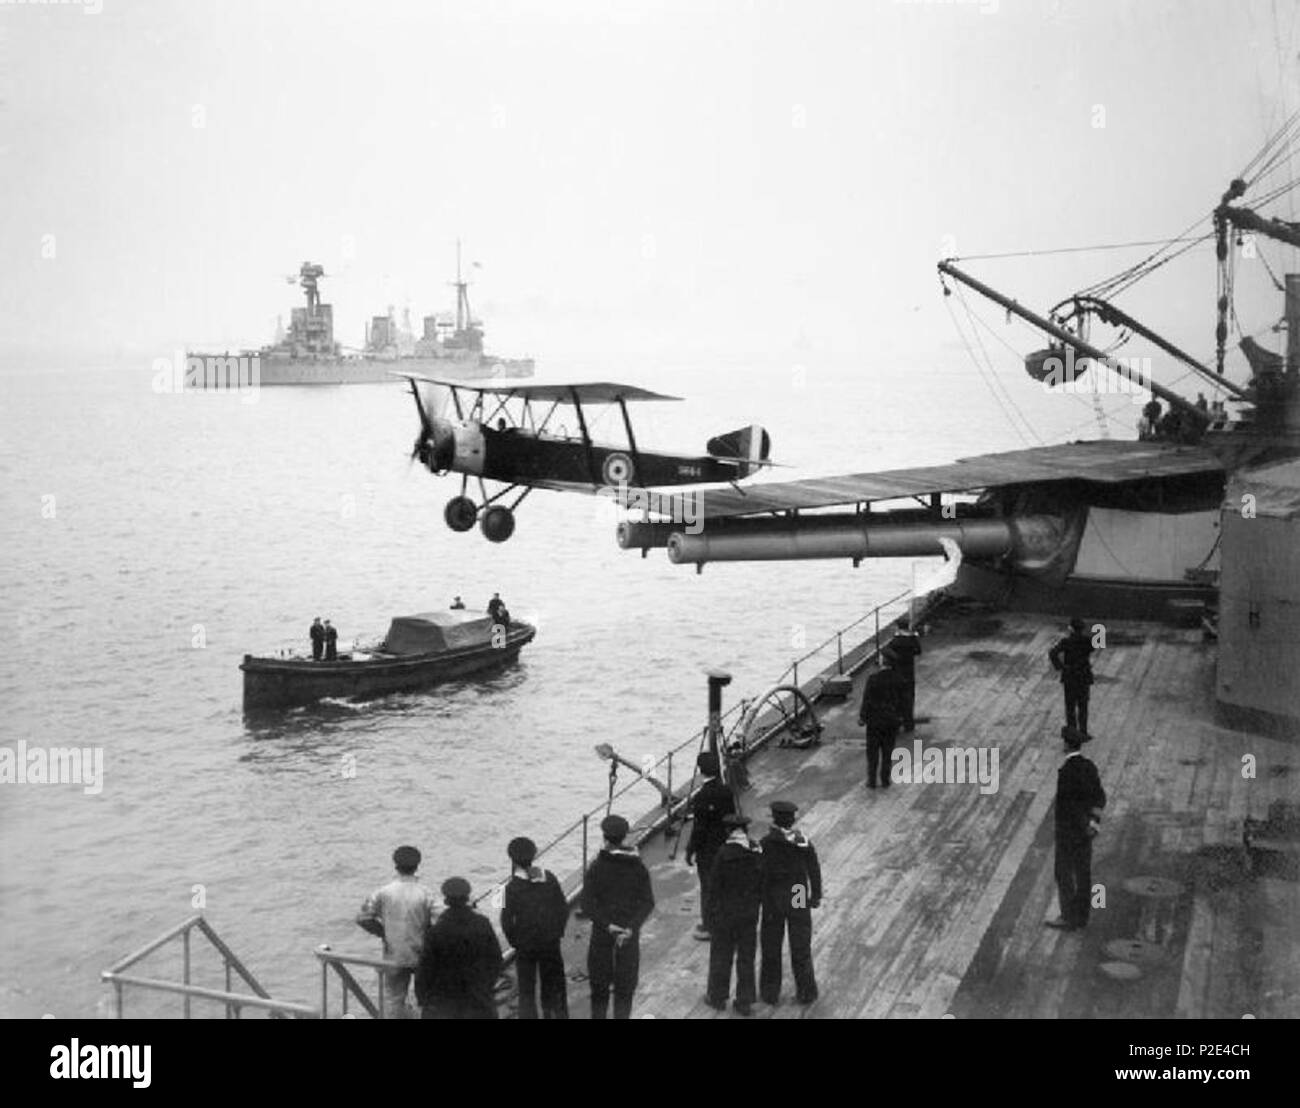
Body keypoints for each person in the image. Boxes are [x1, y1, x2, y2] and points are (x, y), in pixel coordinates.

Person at [580, 814, 654, 1019]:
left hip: (602, 937)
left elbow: (586, 904)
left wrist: (607, 925)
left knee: (599, 992)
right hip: (628, 938)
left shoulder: (596, 868)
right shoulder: (638, 868)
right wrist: (632, 927)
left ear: (605, 837)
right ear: (624, 838)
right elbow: (648, 902)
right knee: (624, 992)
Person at [356, 845, 438, 1019]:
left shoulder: (383, 893)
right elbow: (440, 921)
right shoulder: (426, 894)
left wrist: (383, 932)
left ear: (395, 866)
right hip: (421, 955)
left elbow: (362, 918)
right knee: (425, 998)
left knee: (394, 999)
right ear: (417, 866)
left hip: (393, 954)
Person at [759, 800, 821, 1006]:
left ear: (774, 818)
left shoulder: (766, 843)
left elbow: (760, 873)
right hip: (797, 892)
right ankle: (806, 991)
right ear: (792, 820)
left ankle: (770, 993)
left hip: (774, 896)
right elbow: (813, 869)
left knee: (771, 946)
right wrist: (816, 895)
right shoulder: (802, 842)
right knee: (800, 944)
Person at [414, 877, 503, 1019]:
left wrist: (422, 998)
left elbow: (425, 969)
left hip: (444, 1004)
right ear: (467, 898)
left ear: (446, 901)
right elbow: (496, 959)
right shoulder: (482, 924)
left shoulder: (436, 931)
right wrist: (486, 986)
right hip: (478, 1001)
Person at [501, 836, 569, 1019]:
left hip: (526, 947)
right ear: (534, 855)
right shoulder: (549, 878)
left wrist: (516, 943)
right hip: (550, 942)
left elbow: (506, 922)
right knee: (554, 985)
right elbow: (562, 908)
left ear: (512, 859)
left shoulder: (511, 888)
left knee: (526, 991)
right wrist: (557, 933)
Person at [1046, 726, 1106, 931]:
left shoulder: (1066, 773)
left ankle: (1068, 917)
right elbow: (1100, 796)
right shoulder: (1089, 767)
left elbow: (1069, 807)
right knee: (1083, 873)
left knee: (1063, 873)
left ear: (1065, 745)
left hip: (1069, 834)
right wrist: (1093, 822)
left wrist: (1079, 825)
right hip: (1086, 833)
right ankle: (1082, 917)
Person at [704, 812, 762, 1016]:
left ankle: (717, 997)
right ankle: (744, 1001)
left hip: (725, 914)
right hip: (749, 913)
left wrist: (709, 917)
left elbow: (713, 888)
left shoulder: (723, 853)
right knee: (746, 958)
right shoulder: (756, 851)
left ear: (728, 831)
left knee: (721, 956)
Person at [684, 751, 735, 940]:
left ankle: (710, 926)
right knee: (724, 885)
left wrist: (690, 850)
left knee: (708, 887)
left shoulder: (701, 797)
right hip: (725, 844)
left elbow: (699, 829)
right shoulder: (727, 791)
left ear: (701, 771)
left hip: (708, 850)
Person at [858, 646, 906, 788]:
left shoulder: (873, 679)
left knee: (872, 752)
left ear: (883, 661)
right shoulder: (899, 679)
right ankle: (885, 779)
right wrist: (901, 717)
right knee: (888, 751)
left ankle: (871, 780)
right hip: (891, 721)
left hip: (874, 721)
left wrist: (862, 717)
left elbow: (867, 700)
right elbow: (903, 701)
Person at [1048, 617, 1094, 736]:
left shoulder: (1066, 642)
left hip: (1070, 676)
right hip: (1083, 675)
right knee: (1083, 706)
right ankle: (1083, 731)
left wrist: (1060, 667)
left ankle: (1073, 732)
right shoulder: (1088, 641)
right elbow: (1092, 649)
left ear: (1071, 629)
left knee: (1070, 707)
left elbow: (1052, 653)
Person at [888, 615, 923, 731]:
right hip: (909, 671)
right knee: (909, 697)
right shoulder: (912, 639)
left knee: (896, 697)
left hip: (897, 670)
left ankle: (897, 722)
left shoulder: (895, 640)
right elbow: (918, 651)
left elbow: (889, 652)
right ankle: (909, 723)